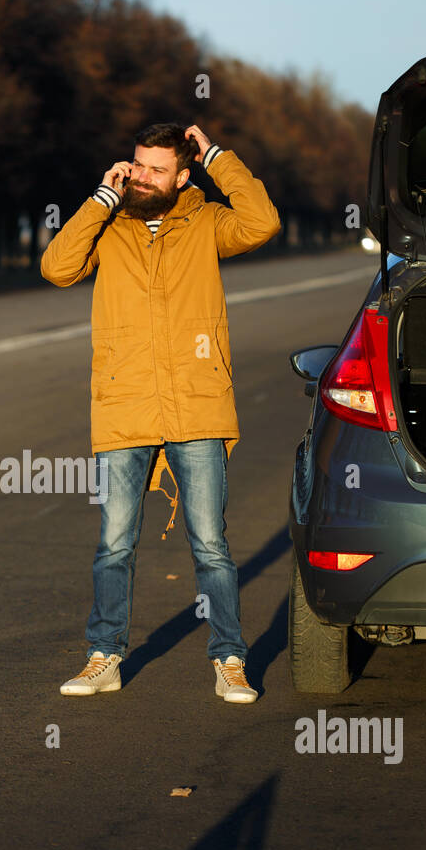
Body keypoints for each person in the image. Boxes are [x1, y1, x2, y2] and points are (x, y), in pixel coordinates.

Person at [41, 121, 281, 702]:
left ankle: (230, 660)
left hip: (197, 404)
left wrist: (219, 155)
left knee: (211, 546)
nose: (141, 176)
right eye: (136, 164)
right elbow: (57, 267)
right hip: (126, 405)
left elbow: (262, 221)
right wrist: (100, 197)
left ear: (182, 172)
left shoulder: (206, 222)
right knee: (115, 544)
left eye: (155, 168)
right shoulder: (110, 224)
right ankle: (104, 657)